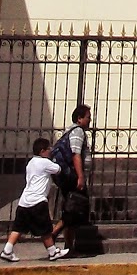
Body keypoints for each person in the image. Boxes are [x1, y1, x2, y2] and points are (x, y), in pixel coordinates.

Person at [0, 139, 70, 262]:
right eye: (48, 149)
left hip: (24, 201)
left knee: (18, 228)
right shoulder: (45, 163)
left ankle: (7, 250)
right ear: (42, 151)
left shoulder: (31, 162)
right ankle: (53, 252)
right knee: (45, 228)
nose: (50, 151)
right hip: (38, 201)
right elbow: (58, 169)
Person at [50, 102, 92, 252]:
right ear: (79, 119)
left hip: (70, 176)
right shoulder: (77, 131)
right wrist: (80, 177)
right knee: (74, 209)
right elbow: (75, 154)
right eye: (88, 117)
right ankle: (53, 234)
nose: (90, 120)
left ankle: (69, 247)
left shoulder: (71, 131)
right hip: (73, 177)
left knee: (72, 210)